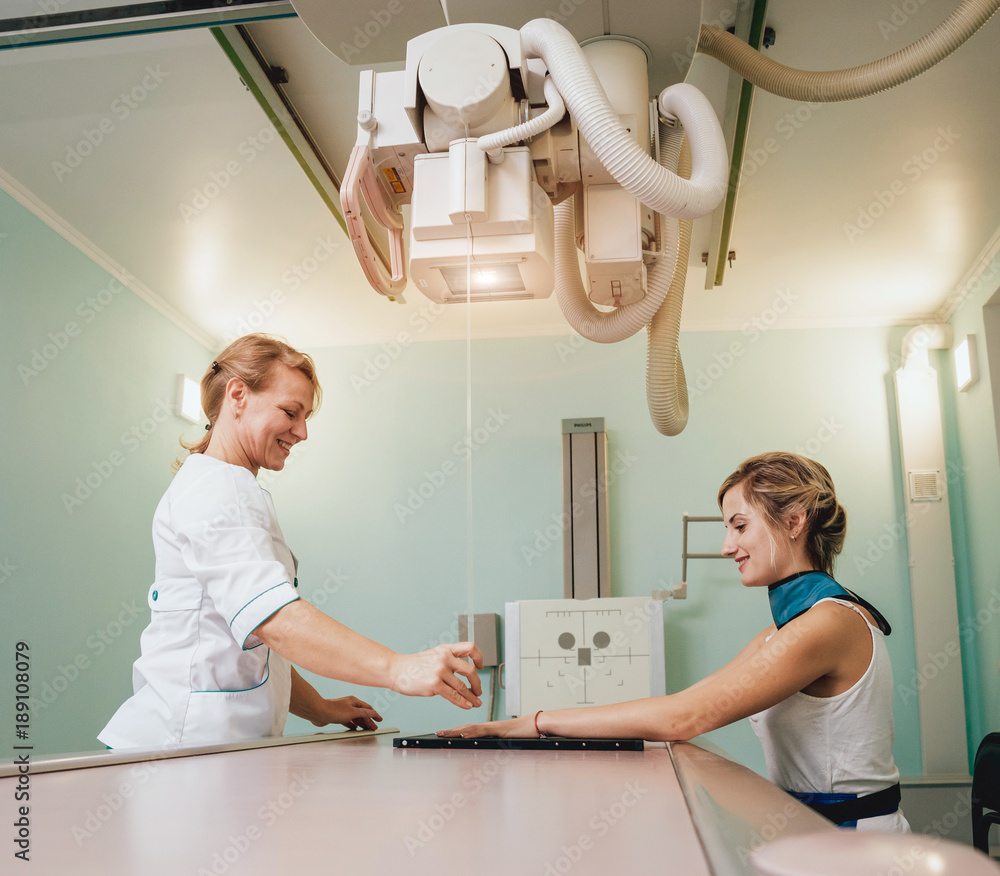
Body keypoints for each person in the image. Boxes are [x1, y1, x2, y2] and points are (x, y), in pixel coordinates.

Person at [440, 452, 909, 833]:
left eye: (739, 526)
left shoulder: (829, 623)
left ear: (793, 522)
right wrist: (532, 723)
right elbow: (685, 703)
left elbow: (685, 717)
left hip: (854, 847)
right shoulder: (782, 631)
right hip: (808, 835)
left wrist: (534, 723)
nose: (727, 546)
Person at [100, 334, 482, 749]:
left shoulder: (236, 490)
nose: (301, 432)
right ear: (238, 395)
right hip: (178, 747)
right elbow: (275, 620)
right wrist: (398, 668)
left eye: (306, 418)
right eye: (290, 412)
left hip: (214, 750)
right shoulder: (211, 490)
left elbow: (252, 639)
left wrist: (318, 708)